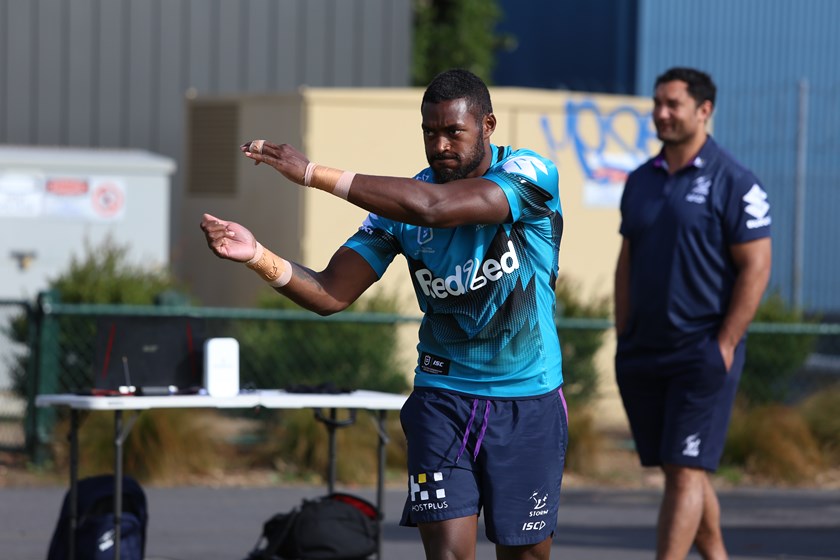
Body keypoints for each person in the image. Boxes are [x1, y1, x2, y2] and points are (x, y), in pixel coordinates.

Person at [201, 69, 567, 560]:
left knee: (524, 554)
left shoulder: (531, 174)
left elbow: (436, 209)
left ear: (487, 125)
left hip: (528, 403)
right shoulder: (400, 207)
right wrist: (257, 256)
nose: (440, 145)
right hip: (443, 400)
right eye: (429, 132)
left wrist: (312, 174)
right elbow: (331, 292)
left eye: (453, 132)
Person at [614, 67, 772, 560]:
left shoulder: (735, 182)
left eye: (673, 104)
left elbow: (756, 267)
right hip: (642, 350)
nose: (661, 113)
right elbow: (628, 258)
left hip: (701, 352)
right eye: (657, 103)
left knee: (684, 469)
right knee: (683, 467)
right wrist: (623, 333)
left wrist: (724, 344)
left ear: (704, 111)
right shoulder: (640, 180)